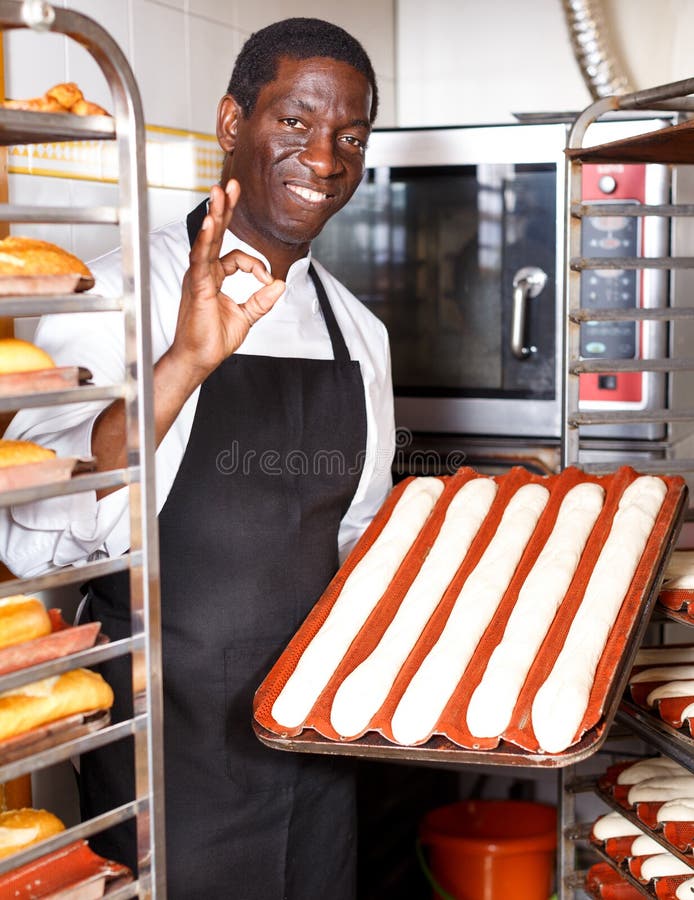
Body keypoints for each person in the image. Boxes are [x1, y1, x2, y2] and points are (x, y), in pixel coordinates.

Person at [0, 18, 395, 900]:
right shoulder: (111, 293)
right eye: (294, 122)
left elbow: (358, 541)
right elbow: (37, 539)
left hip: (314, 751)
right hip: (165, 770)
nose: (325, 158)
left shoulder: (360, 336)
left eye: (351, 136)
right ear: (231, 123)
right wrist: (180, 369)